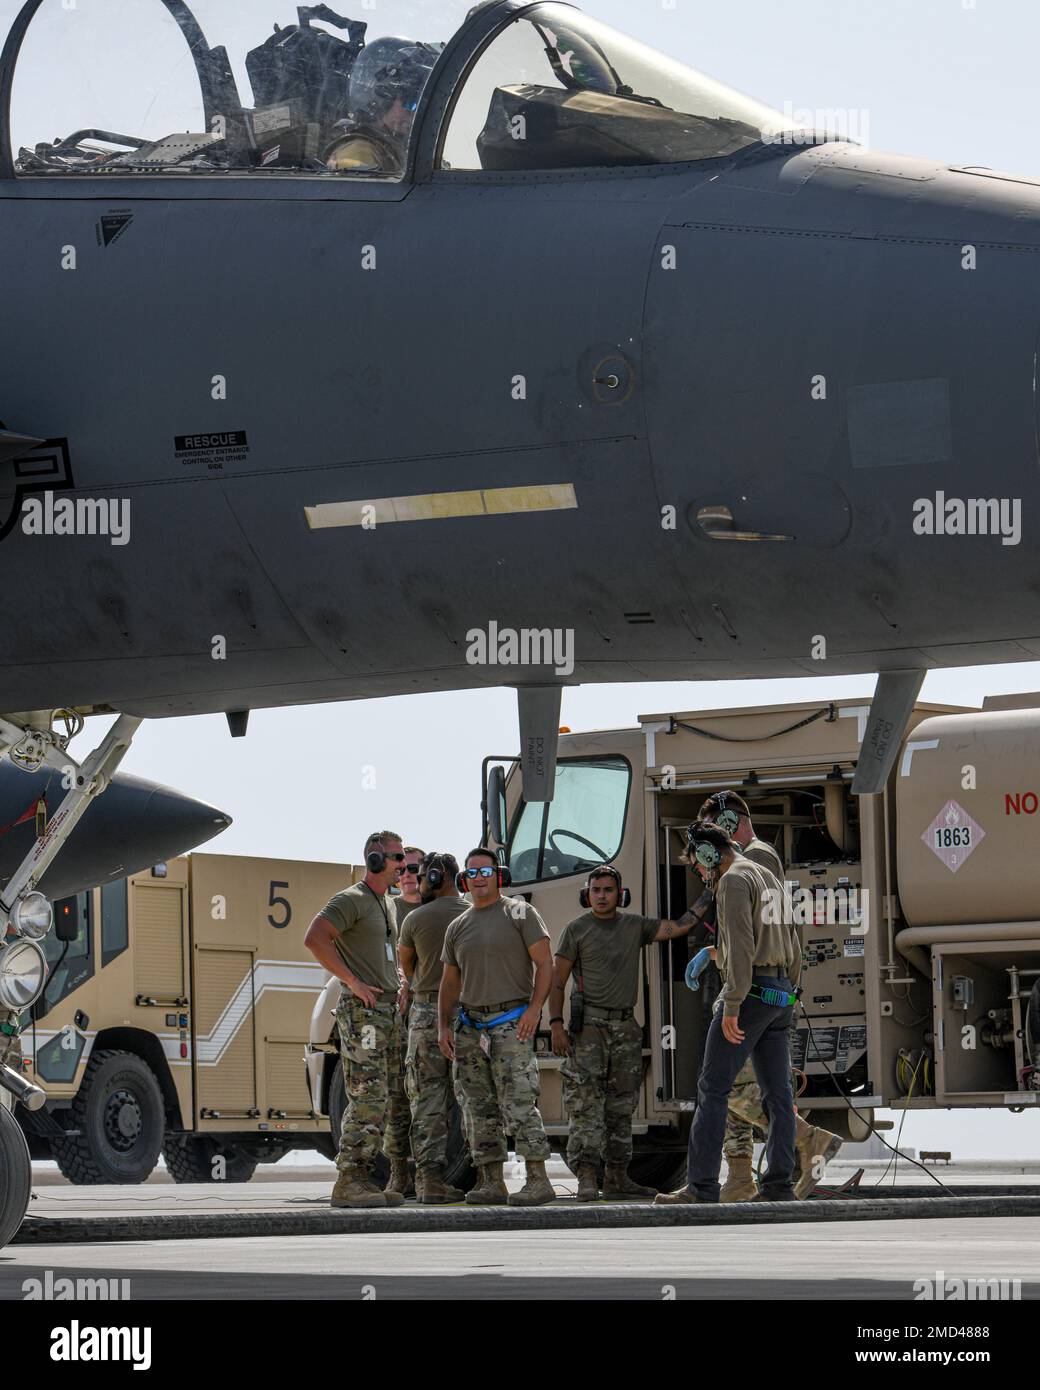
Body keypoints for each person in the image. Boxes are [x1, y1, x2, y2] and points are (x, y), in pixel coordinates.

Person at [696, 792, 842, 1200]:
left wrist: (737, 994)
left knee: (730, 1088)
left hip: (752, 987)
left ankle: (806, 1140)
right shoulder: (763, 857)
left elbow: (758, 936)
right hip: (764, 986)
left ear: (726, 825)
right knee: (747, 1087)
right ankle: (742, 1177)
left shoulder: (751, 861)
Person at [656, 823, 801, 1205]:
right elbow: (791, 940)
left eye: (698, 865)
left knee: (712, 1088)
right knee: (778, 1094)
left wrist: (732, 1004)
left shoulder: (732, 881)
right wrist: (790, 991)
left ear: (707, 853)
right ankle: (779, 1185)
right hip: (780, 992)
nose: (701, 874)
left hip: (749, 995)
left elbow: (740, 946)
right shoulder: (767, 874)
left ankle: (701, 1186)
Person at [550, 865, 711, 1202]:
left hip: (625, 1027)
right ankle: (586, 1178)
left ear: (619, 895)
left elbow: (680, 926)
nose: (602, 896)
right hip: (589, 1030)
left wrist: (710, 894)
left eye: (608, 890)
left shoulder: (634, 925)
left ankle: (617, 1178)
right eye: (596, 890)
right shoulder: (575, 930)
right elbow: (557, 980)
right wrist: (556, 1024)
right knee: (586, 1106)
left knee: (622, 1107)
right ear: (587, 894)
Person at [438, 847, 555, 1207]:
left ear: (498, 874)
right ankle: (491, 1181)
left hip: (511, 1024)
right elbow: (449, 982)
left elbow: (545, 964)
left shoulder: (521, 912)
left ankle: (538, 1180)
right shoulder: (458, 926)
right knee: (477, 1108)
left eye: (485, 871)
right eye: (471, 873)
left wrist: (535, 1010)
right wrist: (443, 1025)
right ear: (464, 880)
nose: (479, 878)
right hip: (471, 1027)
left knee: (519, 1101)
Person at [304, 831, 410, 1209]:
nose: (403, 865)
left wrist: (395, 981)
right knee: (368, 1097)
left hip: (385, 1011)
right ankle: (349, 1180)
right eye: (397, 857)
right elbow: (315, 937)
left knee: (389, 1096)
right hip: (363, 1014)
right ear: (377, 861)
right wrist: (352, 981)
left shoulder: (388, 904)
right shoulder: (350, 900)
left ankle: (369, 1178)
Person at [397, 851, 468, 1203]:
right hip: (470, 1013)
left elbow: (405, 966)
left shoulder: (414, 919)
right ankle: (490, 1177)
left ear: (437, 878)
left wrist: (421, 985)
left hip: (425, 1013)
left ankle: (429, 1182)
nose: (418, 881)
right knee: (477, 1097)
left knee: (427, 1100)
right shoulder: (474, 915)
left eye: (422, 875)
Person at [323, 37, 442, 174]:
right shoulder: (357, 152)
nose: (415, 113)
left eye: (421, 103)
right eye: (410, 103)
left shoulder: (394, 149)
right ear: (381, 102)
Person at [381, 845, 425, 1198]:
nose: (408, 875)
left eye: (415, 868)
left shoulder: (438, 908)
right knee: (396, 1097)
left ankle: (429, 1172)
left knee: (430, 1098)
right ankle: (398, 1172)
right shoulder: (386, 909)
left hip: (432, 1010)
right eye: (403, 869)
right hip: (397, 1012)